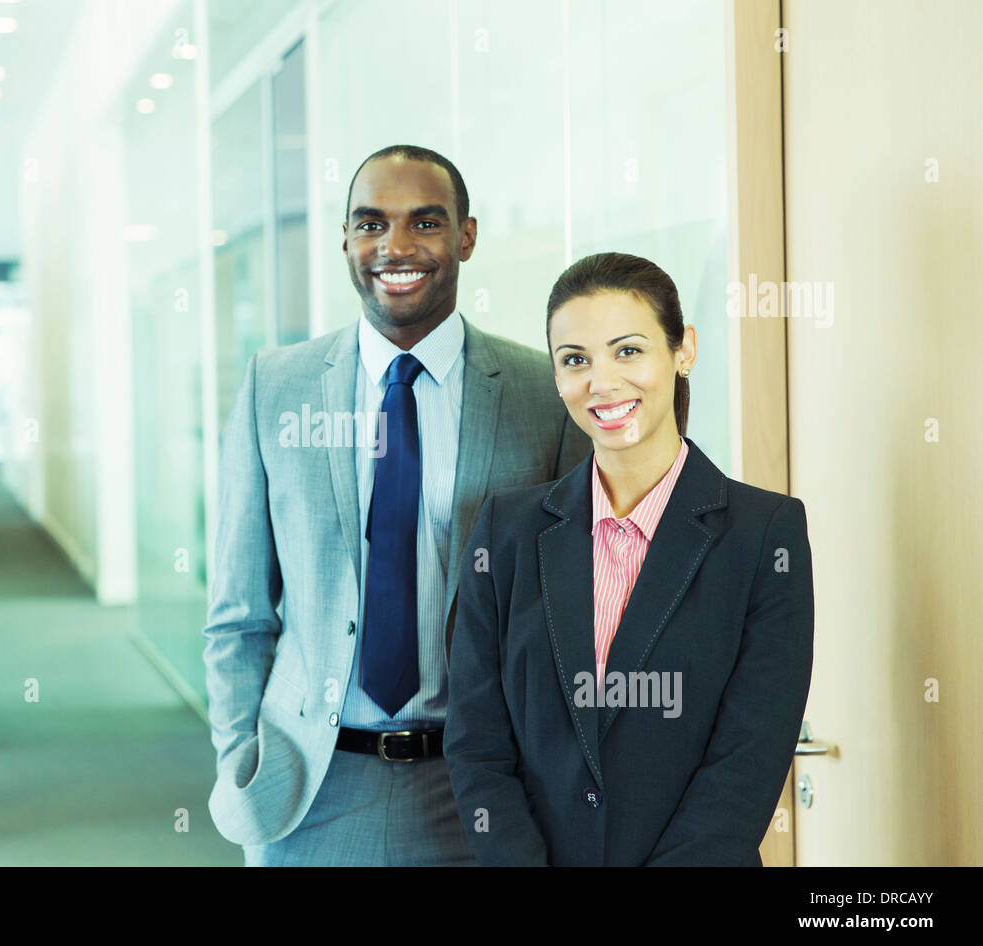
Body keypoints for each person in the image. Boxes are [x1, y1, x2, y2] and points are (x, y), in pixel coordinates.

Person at [203, 145, 591, 866]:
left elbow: (571, 620)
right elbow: (238, 615)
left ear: (466, 237)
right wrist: (241, 755)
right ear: (346, 239)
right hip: (308, 790)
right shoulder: (275, 388)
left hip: (476, 788)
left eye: (426, 223)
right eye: (371, 223)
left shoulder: (546, 399)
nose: (397, 247)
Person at [443, 252, 814, 865]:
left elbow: (747, 763)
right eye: (575, 360)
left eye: (629, 350)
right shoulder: (506, 533)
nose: (603, 382)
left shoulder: (764, 534)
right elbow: (477, 746)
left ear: (683, 350)